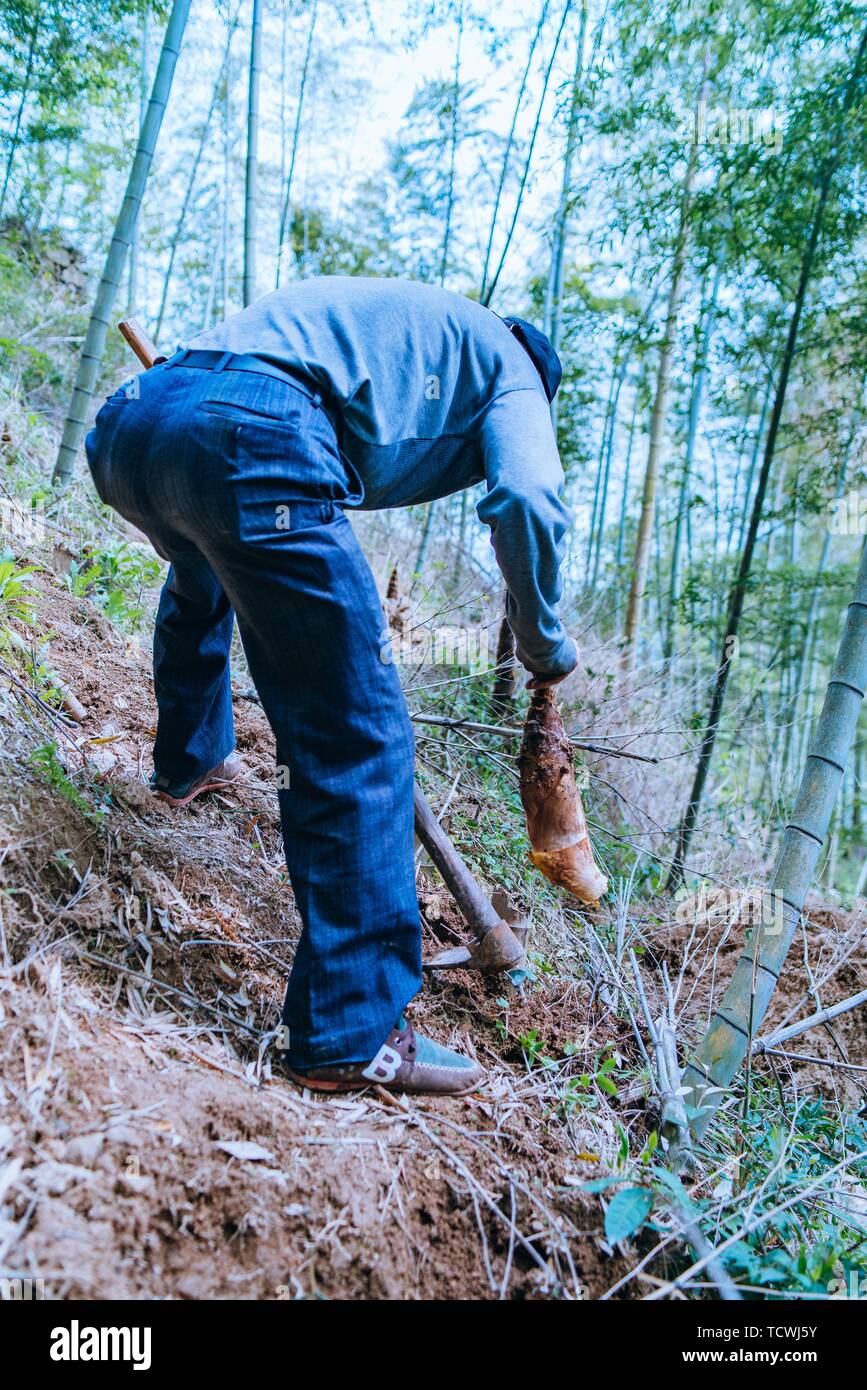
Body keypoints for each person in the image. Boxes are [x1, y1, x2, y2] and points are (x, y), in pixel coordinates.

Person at [85, 276, 577, 1096]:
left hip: (136, 421)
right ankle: (347, 1031)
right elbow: (526, 496)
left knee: (202, 573)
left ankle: (188, 761)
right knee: (358, 729)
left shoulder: (402, 323)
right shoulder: (512, 368)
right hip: (251, 440)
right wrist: (544, 649)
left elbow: (234, 387)